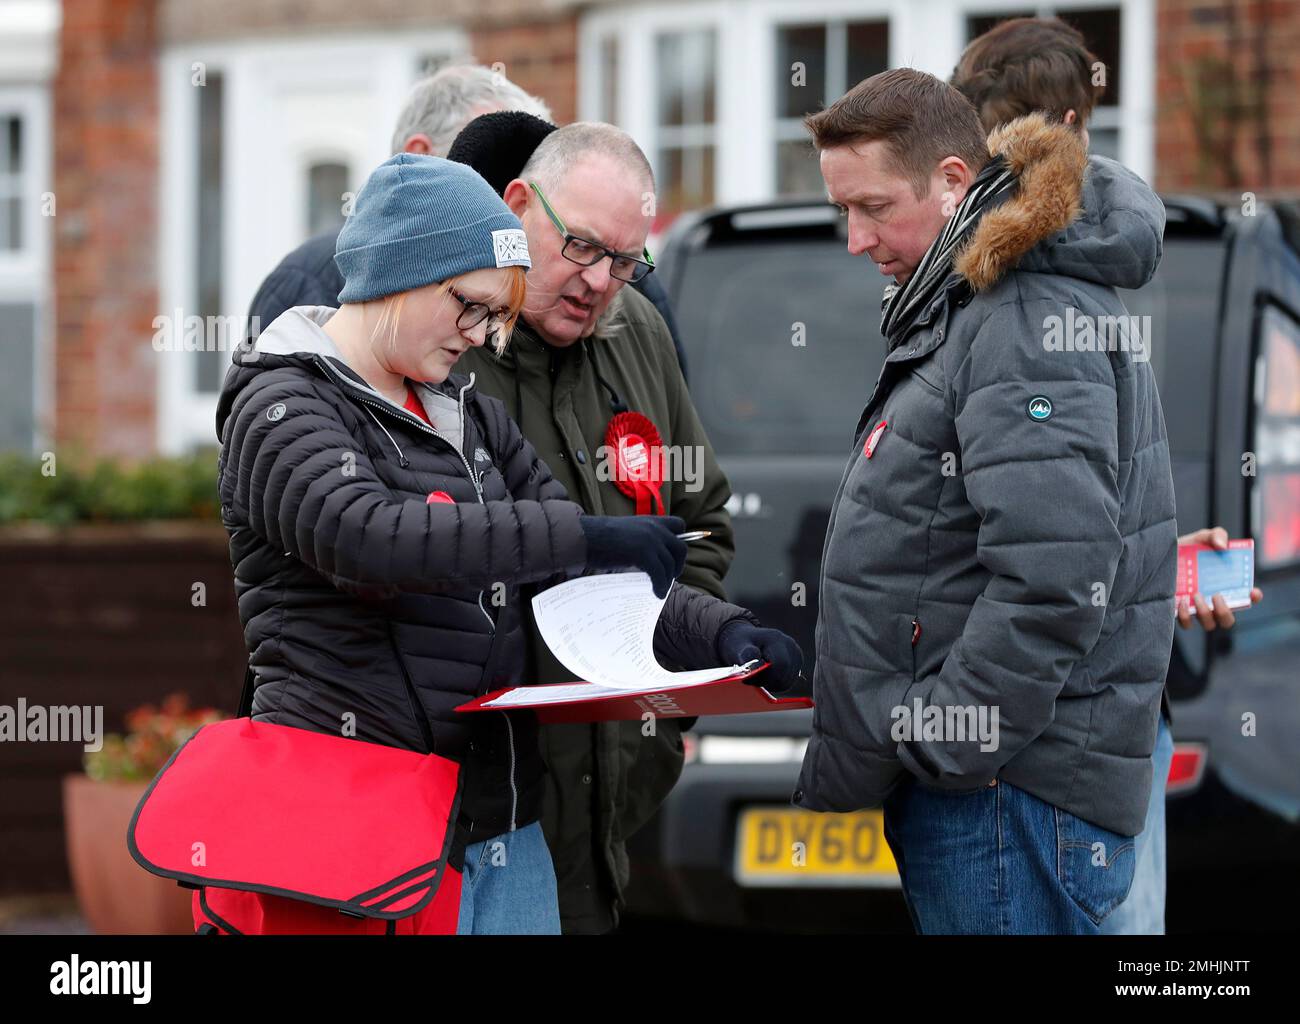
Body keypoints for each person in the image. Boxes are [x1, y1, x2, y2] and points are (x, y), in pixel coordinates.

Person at [215, 154, 733, 933]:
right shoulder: (281, 404)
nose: (485, 336)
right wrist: (582, 533)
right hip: (354, 816)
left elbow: (577, 578)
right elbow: (370, 537)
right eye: (472, 305)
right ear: (401, 271)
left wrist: (721, 637)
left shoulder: (470, 414)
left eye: (497, 314)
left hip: (498, 817)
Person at [791, 67, 1177, 934]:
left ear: (955, 181)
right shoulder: (979, 303)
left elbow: (1056, 579)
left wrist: (938, 743)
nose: (856, 240)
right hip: (1003, 796)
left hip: (1009, 802)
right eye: (841, 211)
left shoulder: (1022, 312)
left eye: (875, 208)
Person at [950, 15, 1264, 935]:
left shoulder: (1019, 293)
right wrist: (1150, 567)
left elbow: (1049, 545)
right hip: (1097, 735)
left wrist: (942, 729)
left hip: (1050, 757)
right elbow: (1054, 525)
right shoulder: (1081, 289)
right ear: (1079, 127)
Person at [451, 118, 802, 933]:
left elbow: (699, 521)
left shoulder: (638, 330)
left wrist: (666, 712)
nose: (599, 280)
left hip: (613, 800)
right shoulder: (448, 345)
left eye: (624, 259)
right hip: (480, 812)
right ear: (516, 207)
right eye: (579, 246)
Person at [246, 65, 690, 378]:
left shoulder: (620, 289)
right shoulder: (311, 284)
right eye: (483, 165)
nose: (502, 204)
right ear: (419, 158)